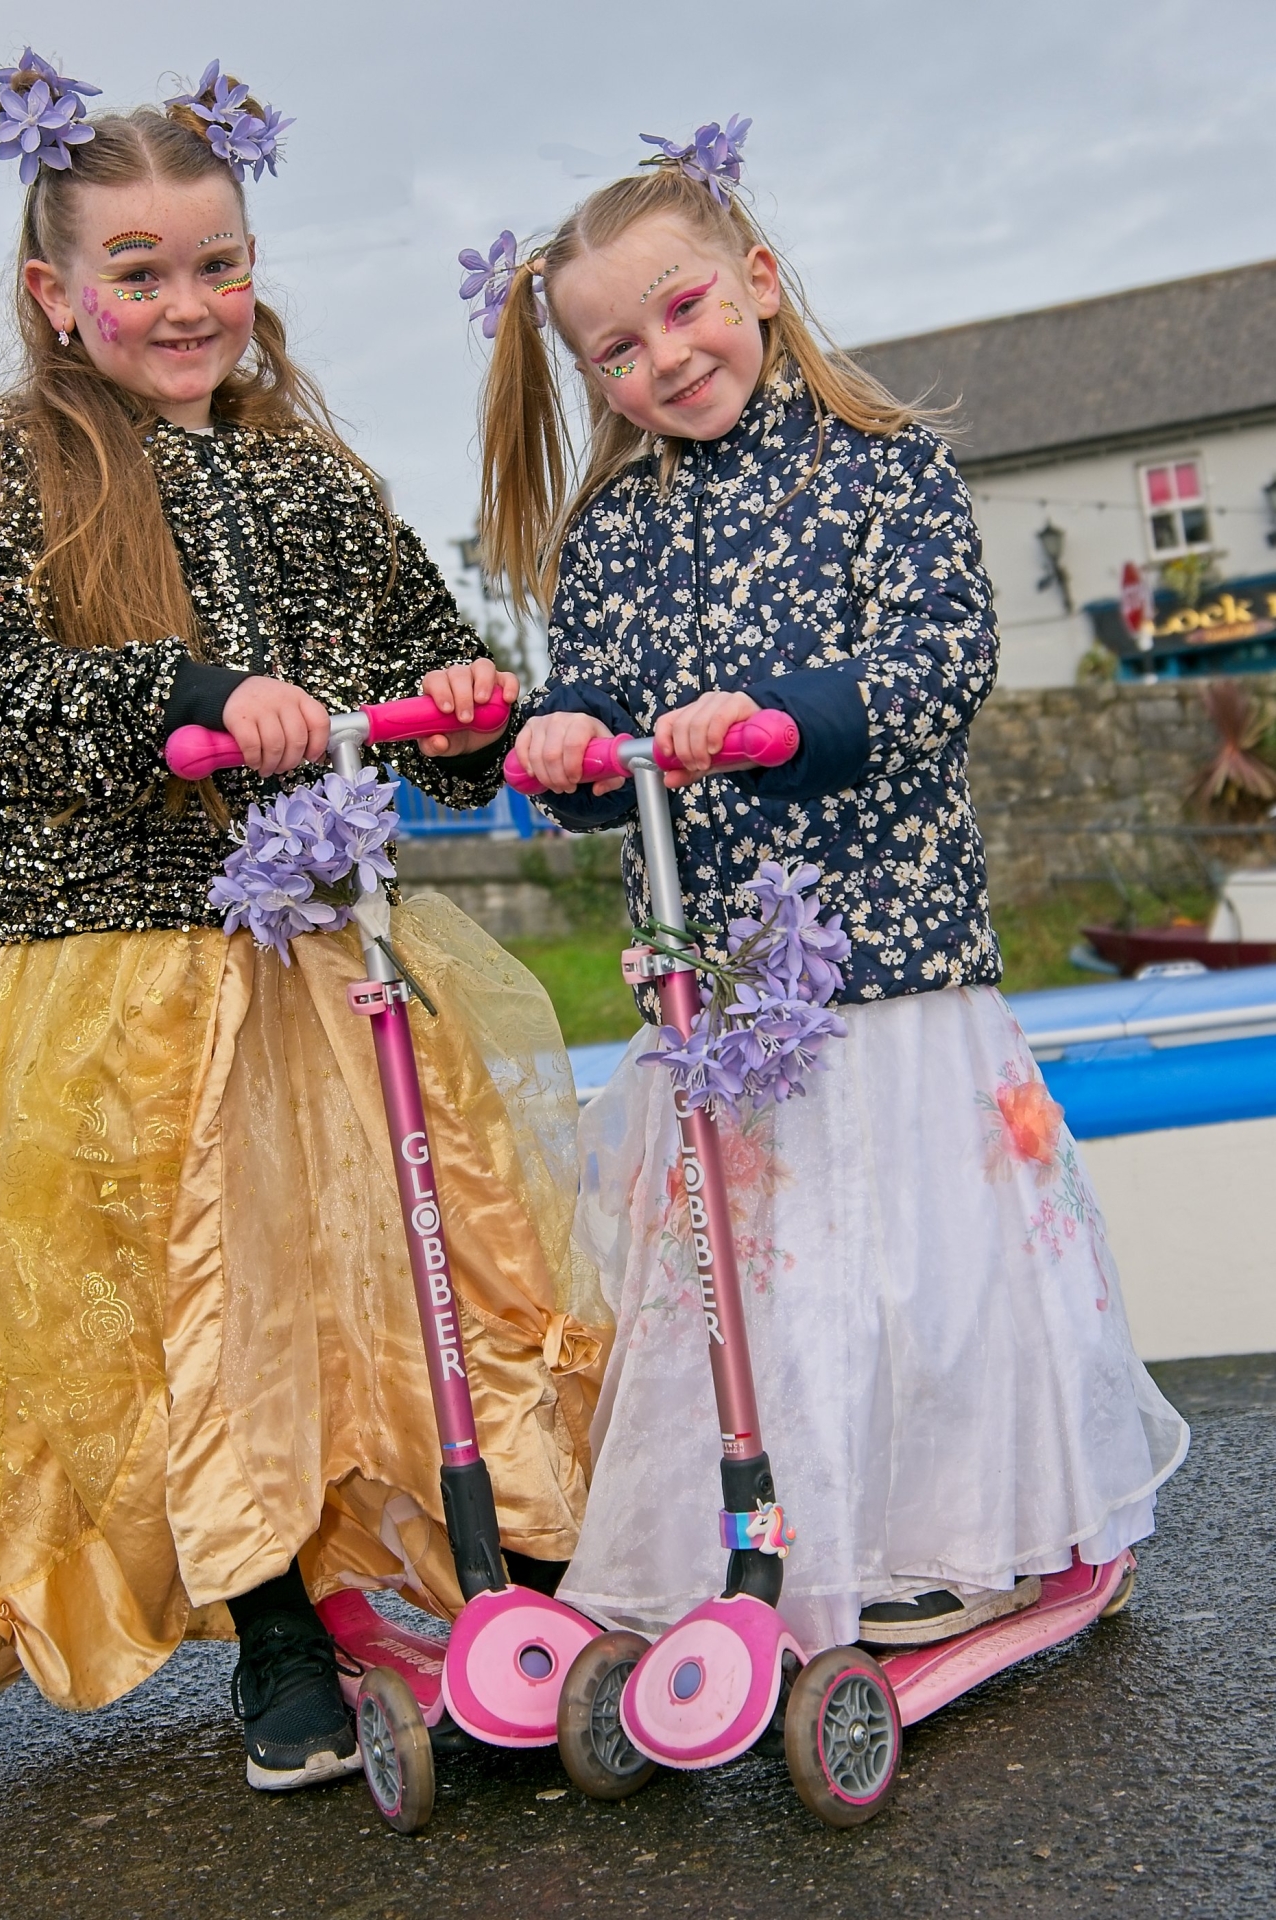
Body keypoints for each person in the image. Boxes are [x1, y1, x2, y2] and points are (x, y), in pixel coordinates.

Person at [0, 55, 608, 1790]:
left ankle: (515, 1560)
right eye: (138, 269)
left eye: (215, 263)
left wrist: (454, 702)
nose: (185, 301)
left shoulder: (313, 478)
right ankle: (276, 1631)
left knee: (425, 1269)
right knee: (187, 1315)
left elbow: (423, 697)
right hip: (114, 970)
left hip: (322, 953)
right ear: (52, 292)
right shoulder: (4, 473)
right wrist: (192, 692)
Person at [472, 120, 1187, 1657]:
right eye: (614, 349)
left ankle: (963, 1530)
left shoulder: (882, 465)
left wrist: (786, 721)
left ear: (762, 282)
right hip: (716, 975)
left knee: (913, 1269)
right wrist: (565, 734)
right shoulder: (612, 532)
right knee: (745, 1286)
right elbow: (586, 685)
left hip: (892, 949)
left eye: (684, 309)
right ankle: (733, 1540)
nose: (662, 359)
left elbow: (942, 657)